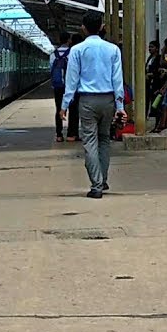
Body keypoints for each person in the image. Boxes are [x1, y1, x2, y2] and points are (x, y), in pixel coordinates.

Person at [59, 11, 125, 199]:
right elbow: (117, 80)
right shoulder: (113, 50)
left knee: (90, 141)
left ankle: (96, 185)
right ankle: (102, 180)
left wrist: (64, 105)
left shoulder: (77, 50)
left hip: (87, 101)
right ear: (102, 27)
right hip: (109, 100)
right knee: (104, 139)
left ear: (83, 28)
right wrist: (120, 107)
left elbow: (71, 80)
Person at [49, 33, 71, 142]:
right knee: (72, 108)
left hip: (57, 86)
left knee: (59, 108)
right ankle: (72, 133)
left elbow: (51, 70)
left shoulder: (53, 55)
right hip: (70, 86)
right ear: (68, 40)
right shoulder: (72, 53)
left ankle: (59, 134)